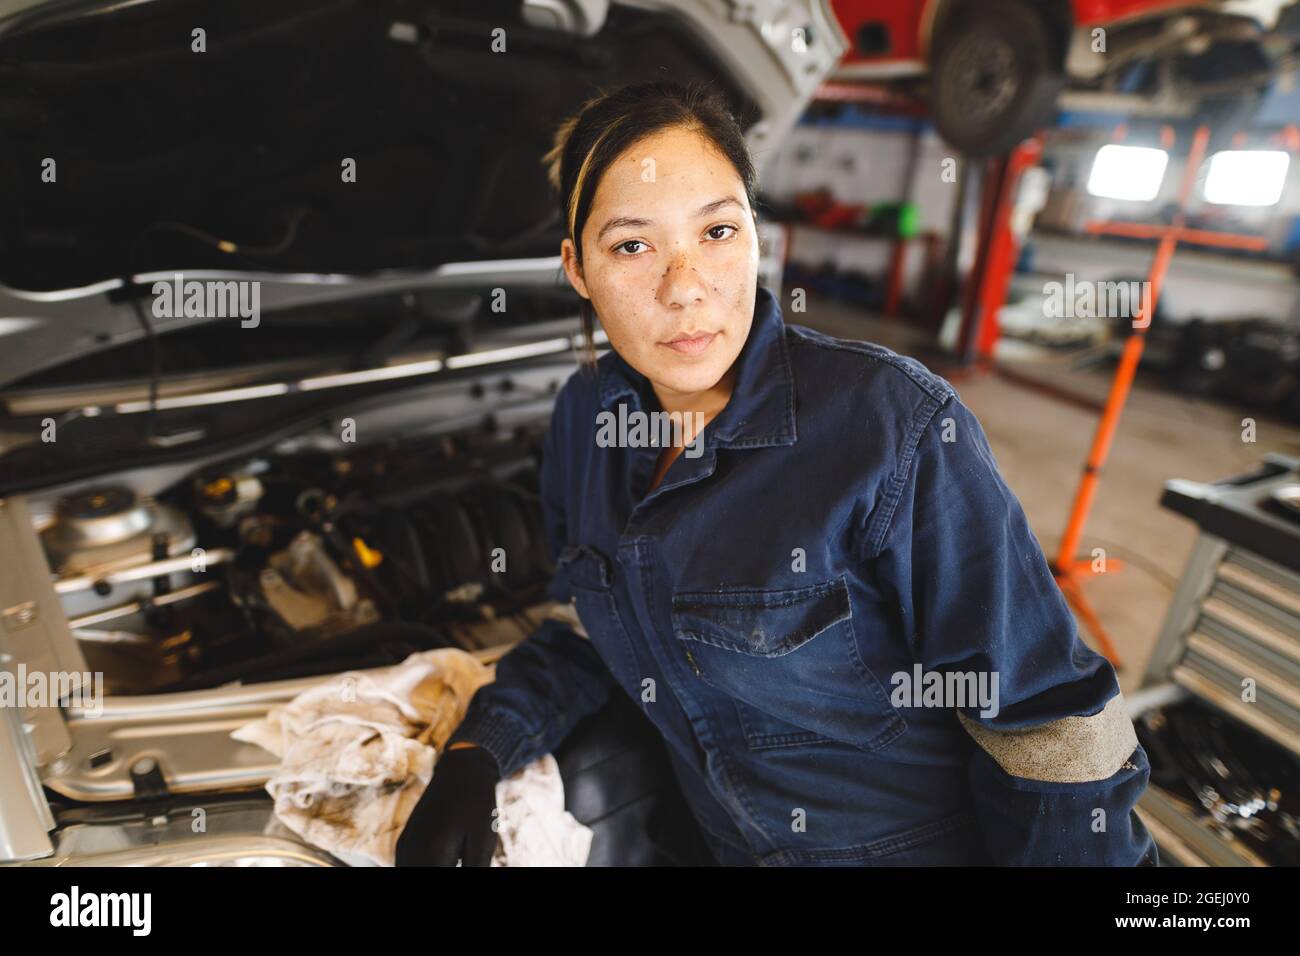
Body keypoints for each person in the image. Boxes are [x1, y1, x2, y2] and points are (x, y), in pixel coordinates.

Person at [395, 80, 1158, 867]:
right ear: (577, 270)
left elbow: (1051, 730)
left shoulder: (890, 427)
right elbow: (592, 626)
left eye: (717, 231)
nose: (685, 286)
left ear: (759, 235)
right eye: (632, 245)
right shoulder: (585, 422)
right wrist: (479, 752)